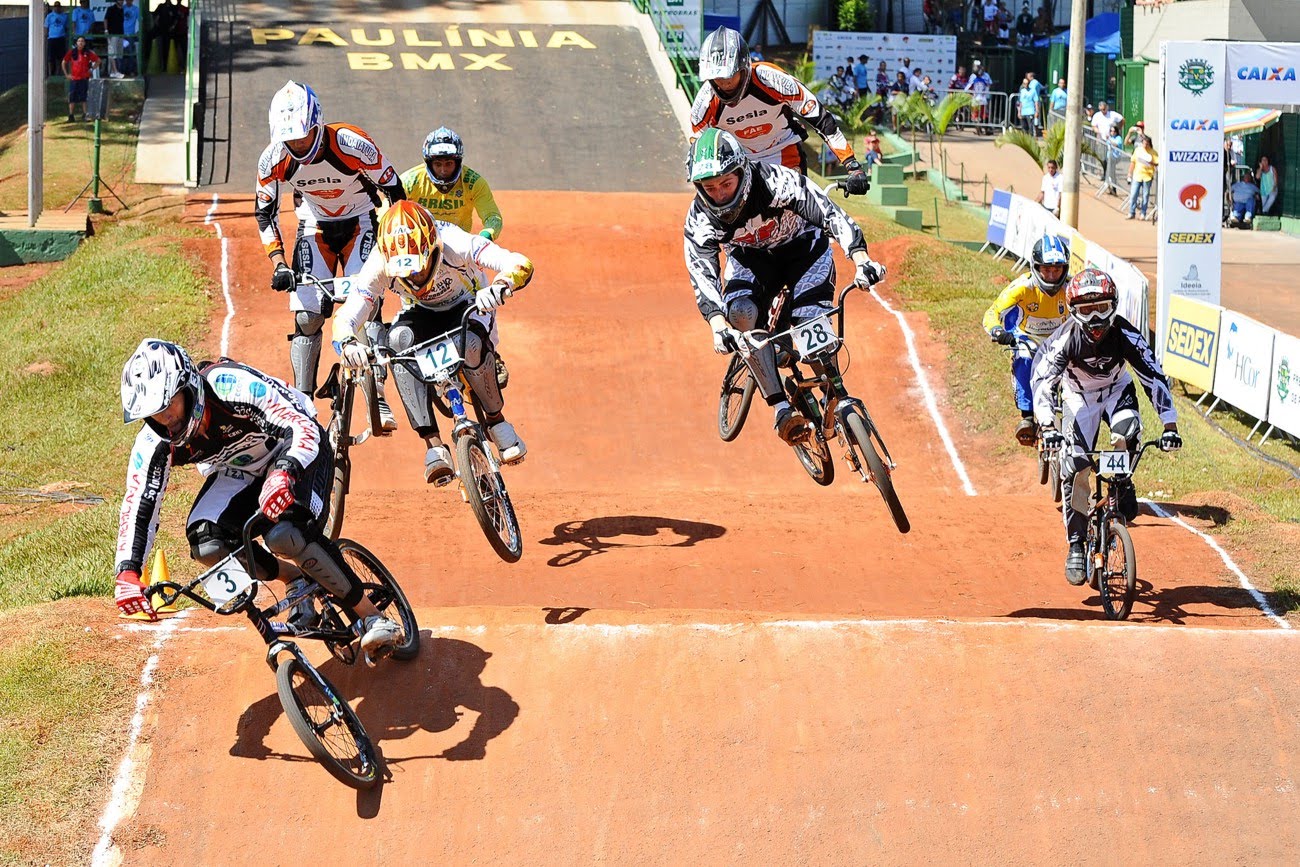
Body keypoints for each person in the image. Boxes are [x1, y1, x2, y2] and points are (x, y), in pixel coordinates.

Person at [113, 338, 403, 656]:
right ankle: (293, 577)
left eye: (169, 404)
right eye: (154, 413)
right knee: (207, 543)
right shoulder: (154, 442)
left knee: (285, 535)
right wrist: (127, 571)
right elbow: (139, 502)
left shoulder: (229, 385)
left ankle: (373, 617)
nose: (166, 418)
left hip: (296, 449)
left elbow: (301, 427)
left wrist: (284, 472)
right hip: (241, 470)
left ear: (188, 387)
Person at [683, 128, 887, 444]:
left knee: (812, 328)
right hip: (751, 260)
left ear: (742, 172)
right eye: (710, 187)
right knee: (740, 313)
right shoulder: (699, 219)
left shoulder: (776, 182)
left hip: (803, 249)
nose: (720, 194)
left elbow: (828, 213)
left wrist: (862, 259)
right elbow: (702, 275)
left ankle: (831, 388)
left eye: (726, 183)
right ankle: (781, 409)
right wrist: (717, 325)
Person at [331, 201, 534, 484]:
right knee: (396, 344)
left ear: (433, 248)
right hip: (422, 314)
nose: (413, 277)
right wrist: (347, 343)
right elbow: (349, 314)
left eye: (418, 267)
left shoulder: (454, 241)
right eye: (404, 273)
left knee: (471, 344)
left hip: (470, 305)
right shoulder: (379, 262)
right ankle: (434, 446)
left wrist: (501, 285)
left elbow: (519, 262)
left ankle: (496, 420)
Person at [254, 81, 406, 423]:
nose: (297, 144)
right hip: (314, 226)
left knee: (366, 307)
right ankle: (302, 404)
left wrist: (396, 243)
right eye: (289, 139)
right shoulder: (272, 158)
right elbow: (264, 213)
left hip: (361, 222)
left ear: (317, 124)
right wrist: (279, 264)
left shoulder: (352, 143)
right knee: (307, 318)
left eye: (303, 136)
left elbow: (394, 189)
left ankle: (378, 391)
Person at [1031, 269, 1182, 585]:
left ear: (1114, 305)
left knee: (1126, 432)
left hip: (1116, 390)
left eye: (1101, 308)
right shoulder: (1064, 339)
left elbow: (1153, 375)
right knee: (1076, 468)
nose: (1096, 318)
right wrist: (1047, 426)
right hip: (1078, 397)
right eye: (1087, 310)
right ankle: (1076, 544)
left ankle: (1122, 481)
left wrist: (1169, 424)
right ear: (1073, 310)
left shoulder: (1126, 334)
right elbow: (1043, 381)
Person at [691, 27, 869, 193]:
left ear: (744, 67)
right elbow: (698, 149)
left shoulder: (772, 79)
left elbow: (822, 119)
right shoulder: (704, 102)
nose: (724, 82)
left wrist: (851, 165)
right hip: (739, 162)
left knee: (797, 211)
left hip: (783, 151)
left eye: (729, 74)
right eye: (716, 76)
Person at [983, 233, 1071, 445]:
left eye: (1057, 269)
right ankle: (1027, 416)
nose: (1052, 275)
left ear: (1065, 269)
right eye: (1046, 269)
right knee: (1023, 356)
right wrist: (997, 331)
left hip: (1060, 339)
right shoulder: (1022, 287)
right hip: (1028, 337)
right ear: (1036, 267)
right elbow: (992, 313)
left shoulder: (1070, 289)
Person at [60, 36, 99, 122]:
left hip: (84, 78)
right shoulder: (72, 52)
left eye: (82, 41)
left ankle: (85, 114)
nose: (80, 43)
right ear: (76, 43)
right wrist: (66, 74)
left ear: (84, 43)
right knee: (72, 97)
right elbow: (64, 62)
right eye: (79, 41)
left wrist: (91, 69)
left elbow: (98, 61)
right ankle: (71, 115)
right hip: (74, 78)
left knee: (84, 97)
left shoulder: (88, 53)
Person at [1127, 135, 1157, 220]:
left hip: (1147, 176)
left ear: (1149, 144)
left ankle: (1143, 213)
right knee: (1133, 194)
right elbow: (1133, 162)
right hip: (1137, 175)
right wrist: (1129, 173)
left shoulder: (1153, 152)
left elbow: (1157, 163)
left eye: (1146, 144)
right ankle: (1131, 212)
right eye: (1144, 143)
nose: (1145, 145)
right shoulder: (1138, 150)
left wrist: (1151, 163)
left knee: (1145, 195)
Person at [965, 61, 993, 134]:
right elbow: (968, 87)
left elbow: (989, 84)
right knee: (977, 114)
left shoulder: (985, 75)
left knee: (983, 114)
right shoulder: (973, 76)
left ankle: (985, 129)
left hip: (982, 99)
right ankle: (979, 128)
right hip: (977, 99)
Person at [44, 2, 69, 79]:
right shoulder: (49, 16)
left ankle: (59, 73)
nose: (57, 8)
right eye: (55, 6)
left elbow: (66, 27)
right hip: (52, 38)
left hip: (61, 38)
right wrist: (46, 36)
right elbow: (46, 27)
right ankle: (51, 74)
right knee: (51, 58)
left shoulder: (64, 16)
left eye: (58, 6)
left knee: (61, 57)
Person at [104, 0, 124, 78]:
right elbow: (105, 19)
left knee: (119, 54)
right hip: (112, 34)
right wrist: (106, 31)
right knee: (112, 52)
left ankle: (113, 71)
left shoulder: (122, 9)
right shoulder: (111, 9)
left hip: (120, 34)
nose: (121, 1)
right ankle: (115, 71)